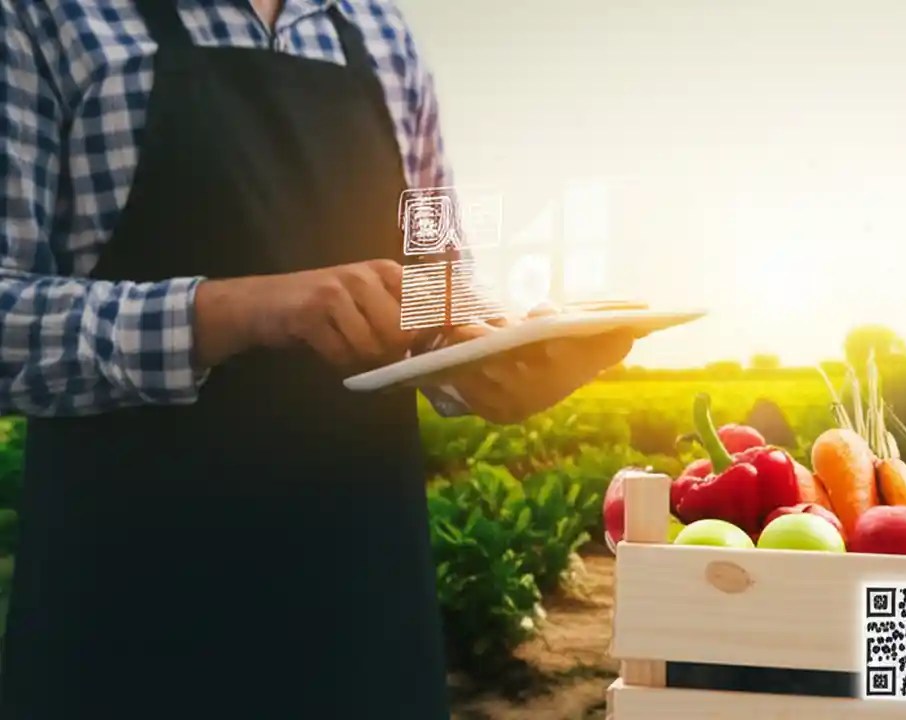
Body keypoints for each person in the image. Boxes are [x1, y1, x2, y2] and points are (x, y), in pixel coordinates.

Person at [0, 1, 632, 718]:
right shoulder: (44, 17)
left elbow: (441, 282)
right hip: (128, 615)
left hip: (364, 611)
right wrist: (240, 308)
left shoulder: (381, 31)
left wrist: (495, 355)